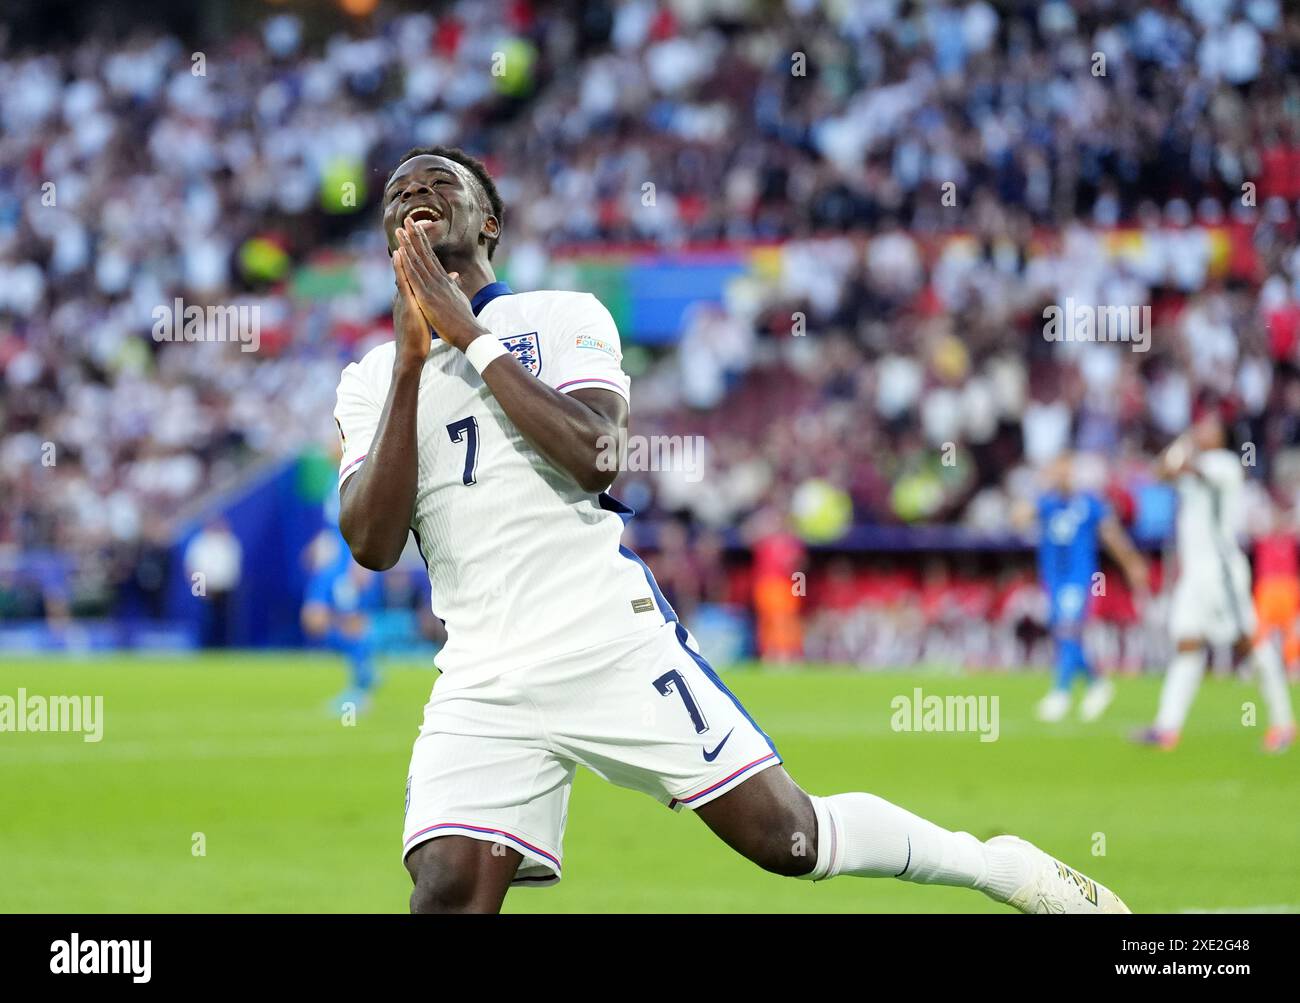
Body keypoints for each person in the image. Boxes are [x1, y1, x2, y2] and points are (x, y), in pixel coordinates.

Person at [332, 145, 1129, 913]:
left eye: (437, 181)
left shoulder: (561, 312)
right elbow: (371, 544)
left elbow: (599, 455)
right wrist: (411, 362)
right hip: (482, 673)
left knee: (788, 837)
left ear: (490, 221)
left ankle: (997, 866)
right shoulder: (369, 377)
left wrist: (468, 333)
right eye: (396, 192)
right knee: (446, 891)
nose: (412, 193)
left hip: (603, 638)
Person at [1134, 410, 1296, 753]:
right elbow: (1159, 473)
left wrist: (1184, 445)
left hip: (1220, 572)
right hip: (1195, 575)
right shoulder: (1198, 460)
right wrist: (1182, 446)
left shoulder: (1223, 465)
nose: (1201, 429)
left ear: (1223, 437)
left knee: (1247, 642)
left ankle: (1283, 722)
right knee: (1187, 644)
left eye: (1209, 427)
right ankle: (1167, 729)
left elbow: (1177, 469)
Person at [1016, 453, 1149, 723]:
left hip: (1078, 577)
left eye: (1065, 470)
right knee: (1064, 633)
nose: (1061, 475)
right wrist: (1039, 487)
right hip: (1053, 579)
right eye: (1057, 470)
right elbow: (1018, 518)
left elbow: (1112, 535)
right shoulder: (1047, 502)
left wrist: (1132, 563)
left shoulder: (1089, 503)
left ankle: (1060, 693)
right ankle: (1096, 683)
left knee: (1067, 628)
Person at [302, 495, 382, 714]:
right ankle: (363, 678)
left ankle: (360, 690)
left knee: (353, 622)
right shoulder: (332, 483)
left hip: (348, 565)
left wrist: (361, 562)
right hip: (332, 564)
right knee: (315, 619)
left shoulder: (356, 474)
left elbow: (368, 519)